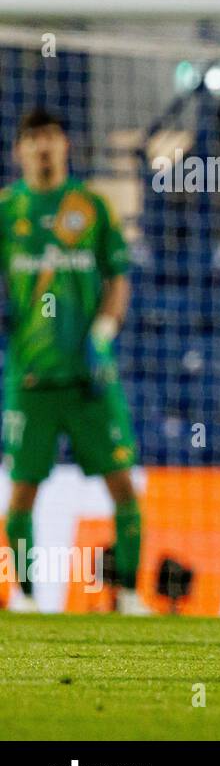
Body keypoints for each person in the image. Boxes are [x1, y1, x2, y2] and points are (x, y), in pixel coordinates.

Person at [1, 109, 149, 615]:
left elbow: (118, 276)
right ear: (20, 150)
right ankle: (22, 596)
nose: (43, 147)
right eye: (33, 139)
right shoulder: (7, 210)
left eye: (51, 137)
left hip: (90, 378)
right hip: (31, 376)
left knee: (125, 482)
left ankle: (128, 594)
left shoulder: (93, 207)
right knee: (22, 490)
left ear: (65, 145)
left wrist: (105, 329)